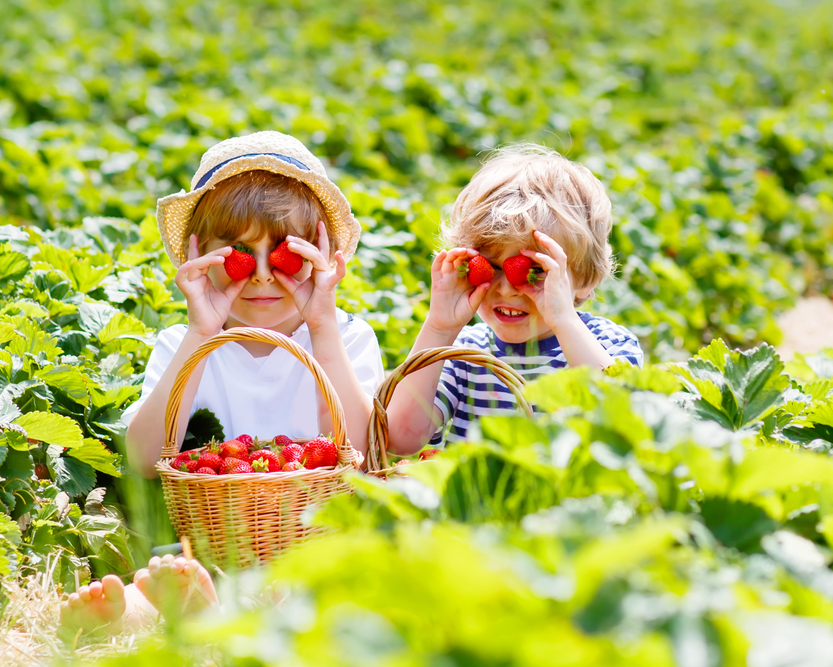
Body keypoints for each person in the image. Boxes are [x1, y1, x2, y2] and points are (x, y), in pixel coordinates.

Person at [61, 131, 383, 636]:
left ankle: (210, 610)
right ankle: (157, 607)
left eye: (283, 255)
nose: (258, 275)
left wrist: (320, 324)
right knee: (170, 562)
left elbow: (362, 450)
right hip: (206, 540)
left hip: (313, 540)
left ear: (320, 253)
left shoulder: (346, 338)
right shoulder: (183, 343)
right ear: (198, 255)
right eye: (236, 253)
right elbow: (144, 457)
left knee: (332, 577)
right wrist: (200, 330)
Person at [384, 144, 644, 453]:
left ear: (585, 281)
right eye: (491, 267)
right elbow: (399, 440)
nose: (507, 289)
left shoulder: (608, 344)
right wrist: (439, 328)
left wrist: (563, 321)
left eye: (536, 270)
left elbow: (623, 426)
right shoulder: (464, 353)